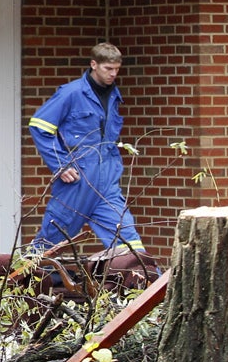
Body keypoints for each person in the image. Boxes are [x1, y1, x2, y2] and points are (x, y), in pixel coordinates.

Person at [27, 42, 147, 257]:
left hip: (107, 182)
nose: (113, 74)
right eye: (108, 69)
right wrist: (61, 165)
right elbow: (39, 125)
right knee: (51, 243)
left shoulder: (113, 95)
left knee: (127, 238)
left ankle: (147, 283)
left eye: (116, 69)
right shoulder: (72, 93)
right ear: (94, 64)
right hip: (76, 181)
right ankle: (27, 283)